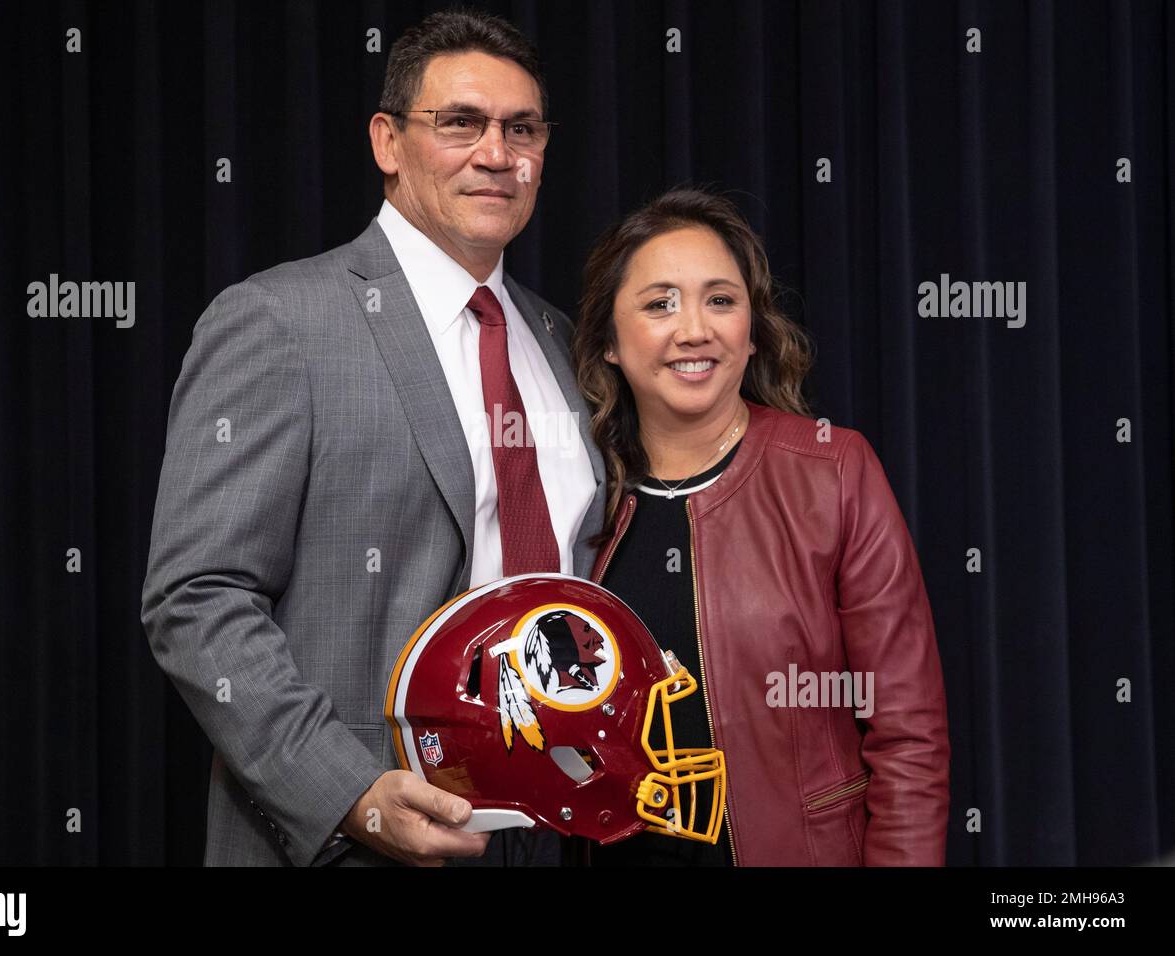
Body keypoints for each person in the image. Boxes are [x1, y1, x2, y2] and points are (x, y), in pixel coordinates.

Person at [140, 9, 602, 867]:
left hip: (545, 835)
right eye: (460, 123)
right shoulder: (279, 320)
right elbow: (196, 596)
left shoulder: (558, 342)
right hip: (352, 841)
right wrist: (349, 794)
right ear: (388, 142)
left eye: (522, 128)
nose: (496, 154)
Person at [570, 187, 951, 865]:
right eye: (660, 304)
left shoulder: (834, 470)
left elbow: (909, 737)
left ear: (750, 332)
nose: (695, 329)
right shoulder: (571, 495)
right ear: (609, 343)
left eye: (721, 300)